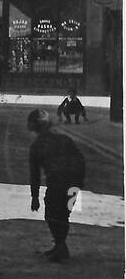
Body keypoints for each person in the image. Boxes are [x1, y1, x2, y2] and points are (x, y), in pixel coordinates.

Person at [26, 109, 85, 263]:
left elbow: (35, 176)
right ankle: (60, 245)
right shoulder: (65, 139)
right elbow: (80, 160)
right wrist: (80, 182)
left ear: (34, 127)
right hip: (74, 184)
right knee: (64, 214)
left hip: (57, 184)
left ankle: (61, 247)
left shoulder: (36, 146)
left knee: (52, 215)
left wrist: (34, 198)